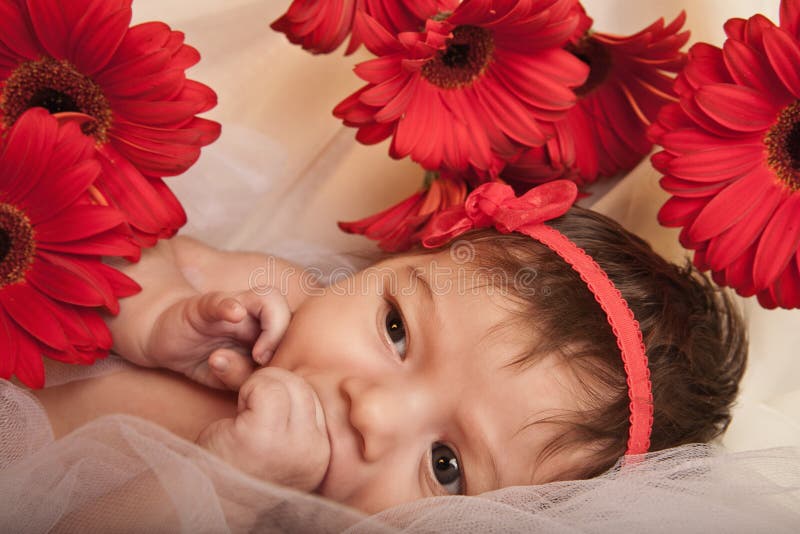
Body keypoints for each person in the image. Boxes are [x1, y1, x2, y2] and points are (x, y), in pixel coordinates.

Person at [28, 180, 747, 515]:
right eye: (396, 328)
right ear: (393, 260)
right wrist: (155, 312)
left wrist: (228, 480)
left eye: (446, 464)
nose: (370, 411)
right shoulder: (272, 294)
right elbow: (81, 240)